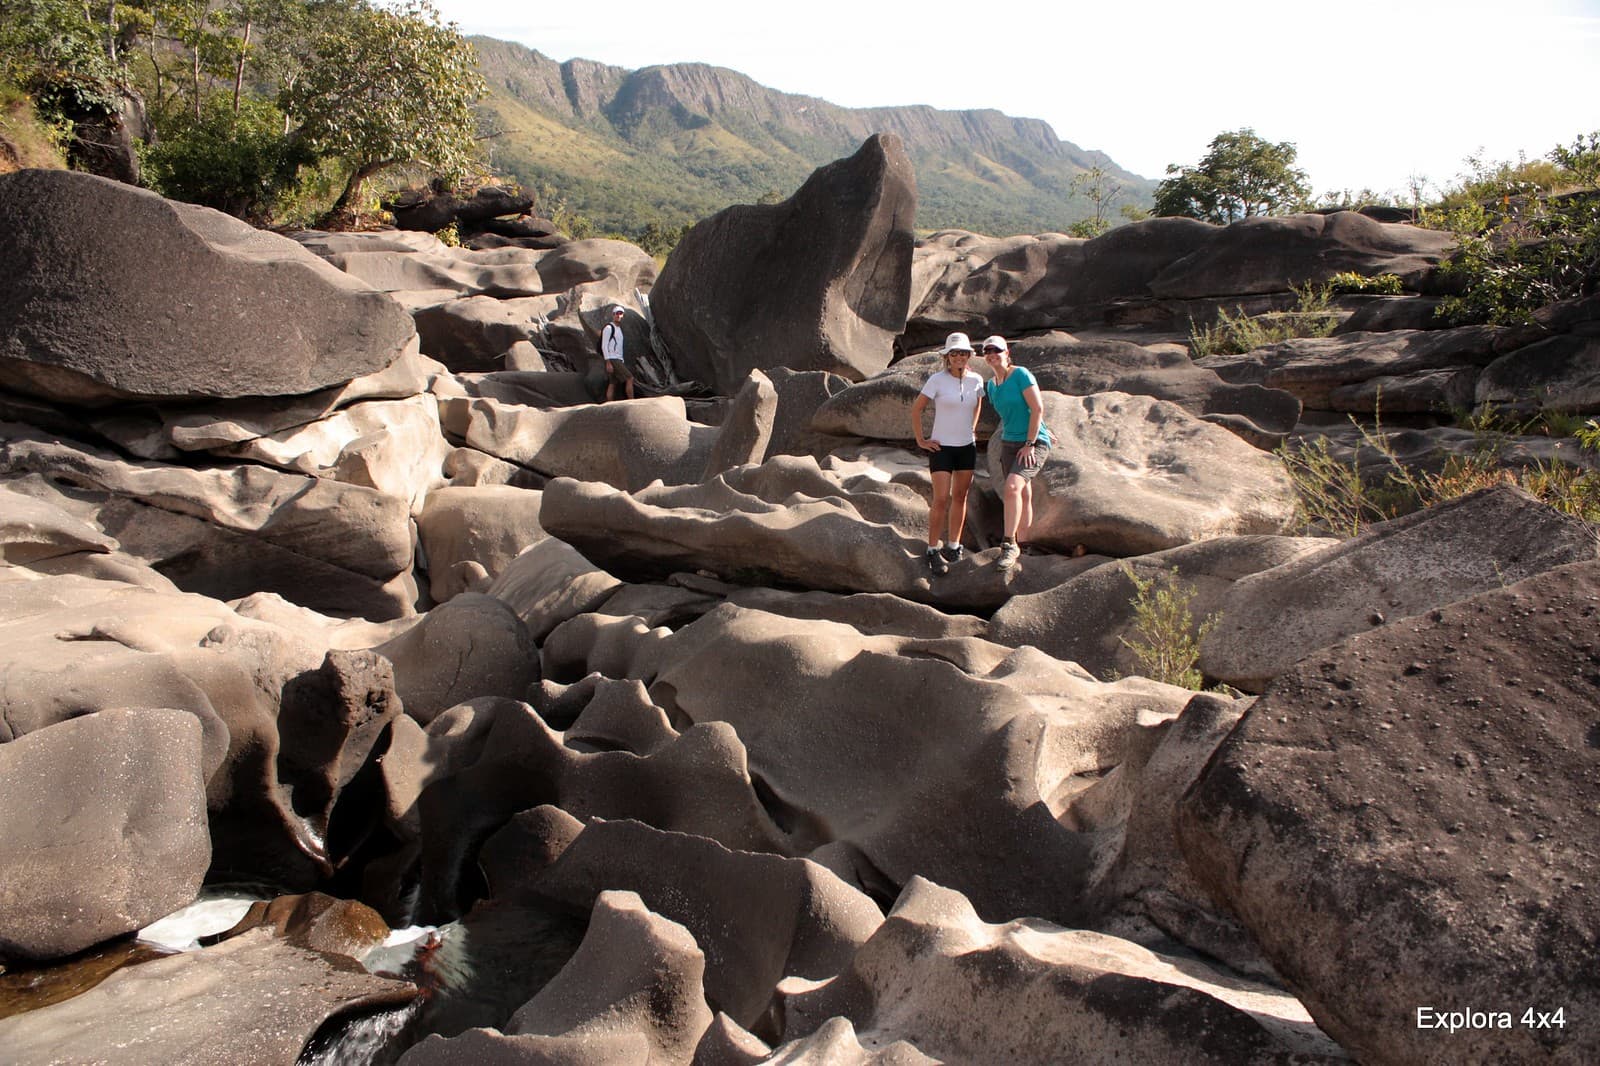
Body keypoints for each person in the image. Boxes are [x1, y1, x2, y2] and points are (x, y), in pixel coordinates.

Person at [911, 332, 984, 575]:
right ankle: (932, 549)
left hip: (966, 447)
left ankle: (954, 546)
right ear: (947, 356)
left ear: (968, 355)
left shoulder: (976, 380)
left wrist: (972, 429)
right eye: (954, 353)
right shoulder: (936, 380)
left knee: (960, 497)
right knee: (941, 498)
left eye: (963, 353)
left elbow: (978, 402)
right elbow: (917, 409)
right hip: (941, 447)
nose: (959, 357)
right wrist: (922, 440)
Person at [981, 335, 1052, 571]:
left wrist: (1033, 441)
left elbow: (1037, 407)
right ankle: (1024, 542)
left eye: (996, 350)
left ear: (1007, 353)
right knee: (1023, 494)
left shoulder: (1021, 374)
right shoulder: (991, 385)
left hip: (1031, 443)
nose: (992, 355)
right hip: (1009, 443)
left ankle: (1009, 544)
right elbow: (1011, 414)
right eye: (987, 351)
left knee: (1012, 487)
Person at [601, 306, 634, 401]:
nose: (619, 315)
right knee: (629, 378)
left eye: (620, 313)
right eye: (617, 313)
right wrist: (608, 362)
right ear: (613, 315)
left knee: (613, 383)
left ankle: (610, 403)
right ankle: (632, 401)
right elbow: (604, 345)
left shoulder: (619, 329)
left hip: (617, 358)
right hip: (612, 358)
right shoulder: (609, 328)